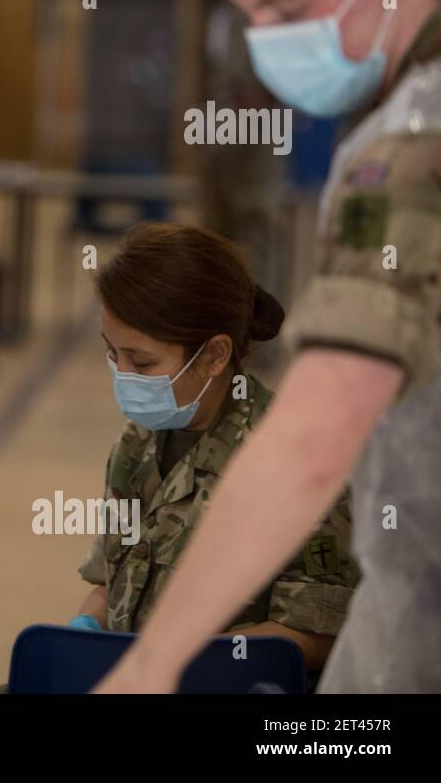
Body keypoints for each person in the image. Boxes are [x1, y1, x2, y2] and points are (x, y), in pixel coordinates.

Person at [97, 0, 441, 693]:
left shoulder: (408, 146)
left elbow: (315, 440)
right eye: (251, 17)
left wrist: (150, 666)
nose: (267, 43)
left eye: (286, 9)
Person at [74, 223, 356, 673]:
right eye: (113, 354)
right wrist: (85, 626)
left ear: (214, 356)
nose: (122, 375)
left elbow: (315, 632)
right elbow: (113, 584)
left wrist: (188, 657)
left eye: (141, 362)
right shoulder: (137, 444)